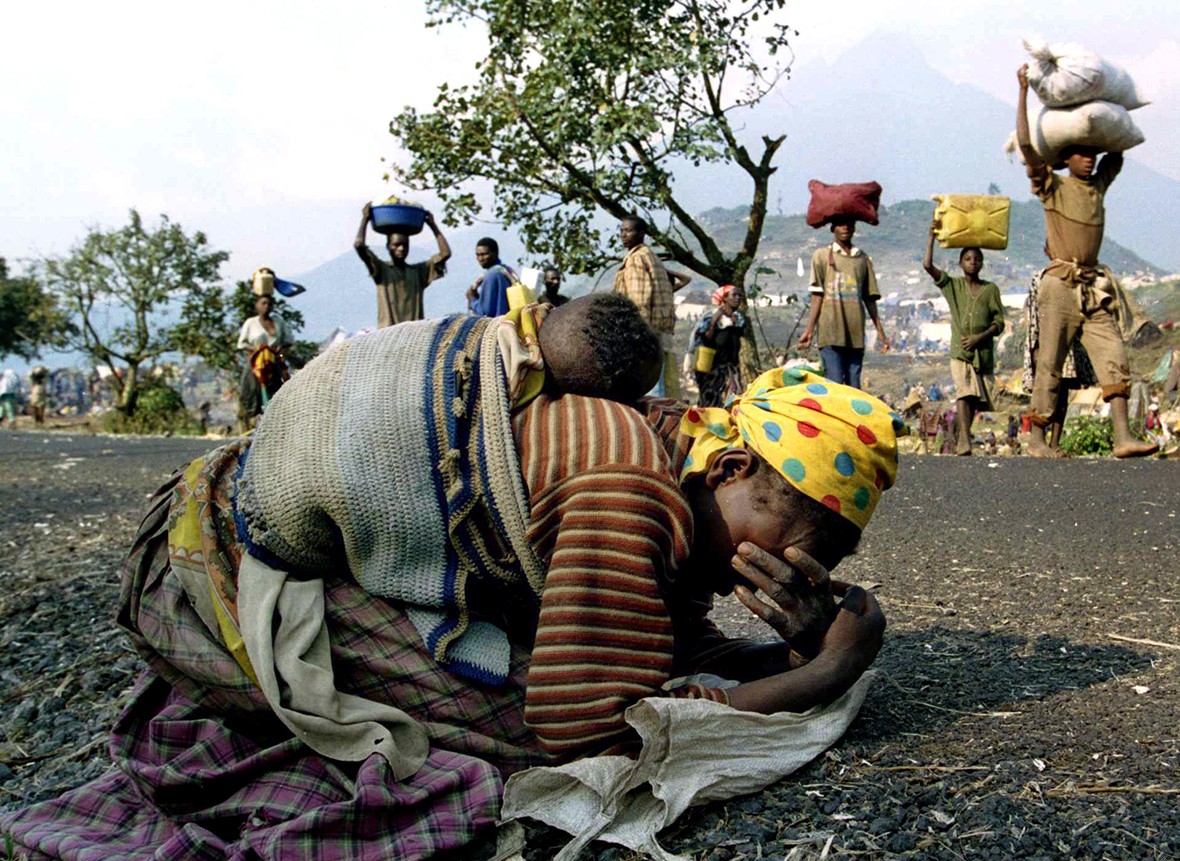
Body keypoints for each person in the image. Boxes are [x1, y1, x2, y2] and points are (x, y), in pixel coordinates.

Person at [0, 315, 897, 858]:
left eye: (826, 562)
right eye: (802, 542)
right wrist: (820, 677)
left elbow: (658, 642)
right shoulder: (629, 486)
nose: (804, 571)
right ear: (731, 464)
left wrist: (793, 642)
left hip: (241, 538)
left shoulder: (671, 450)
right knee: (503, 744)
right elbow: (595, 728)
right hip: (216, 580)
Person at [1016, 64, 1156, 458]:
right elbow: (1027, 147)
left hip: (1093, 286)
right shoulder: (1052, 187)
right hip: (1059, 284)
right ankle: (1037, 440)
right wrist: (1024, 91)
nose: (1089, 159)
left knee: (1114, 355)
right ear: (1065, 157)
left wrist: (1105, 103)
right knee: (1050, 361)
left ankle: (1123, 437)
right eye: (1081, 151)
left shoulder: (1098, 186)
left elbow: (1118, 147)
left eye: (1092, 151)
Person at [923, 226, 1005, 456]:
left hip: (982, 353)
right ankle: (965, 441)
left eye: (977, 259)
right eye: (968, 259)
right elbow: (928, 266)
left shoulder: (990, 290)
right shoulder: (953, 286)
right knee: (963, 393)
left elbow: (999, 323)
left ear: (982, 264)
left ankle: (962, 435)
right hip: (960, 351)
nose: (973, 262)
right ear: (960, 264)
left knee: (975, 400)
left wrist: (981, 337)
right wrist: (931, 237)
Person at [796, 216, 889, 389]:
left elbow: (869, 298)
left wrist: (880, 332)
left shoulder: (862, 259)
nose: (845, 227)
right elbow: (817, 296)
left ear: (854, 228)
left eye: (849, 223)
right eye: (840, 224)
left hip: (855, 333)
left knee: (854, 386)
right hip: (830, 331)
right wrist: (809, 331)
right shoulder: (822, 256)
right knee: (835, 383)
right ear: (833, 229)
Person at [613, 215, 681, 398]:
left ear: (641, 233)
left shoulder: (636, 259)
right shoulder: (652, 258)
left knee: (646, 386)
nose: (623, 235)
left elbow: (639, 299)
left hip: (643, 330)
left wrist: (636, 332)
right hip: (657, 329)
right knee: (657, 382)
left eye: (629, 230)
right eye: (621, 231)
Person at [355, 202, 451, 328]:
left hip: (414, 334)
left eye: (405, 245)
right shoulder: (382, 270)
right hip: (387, 335)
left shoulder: (417, 272)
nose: (401, 249)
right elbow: (359, 245)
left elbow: (445, 253)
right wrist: (365, 219)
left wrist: (433, 225)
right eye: (396, 245)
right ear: (388, 247)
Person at [236, 277, 292, 428]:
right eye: (263, 303)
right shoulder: (251, 323)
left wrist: (279, 349)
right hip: (257, 363)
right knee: (250, 391)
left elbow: (288, 340)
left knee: (282, 390)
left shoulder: (278, 321)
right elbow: (242, 344)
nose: (266, 306)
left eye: (269, 303)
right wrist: (257, 349)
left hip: (274, 361)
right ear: (257, 306)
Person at [690, 284, 747, 408]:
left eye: (739, 295)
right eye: (734, 295)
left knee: (734, 399)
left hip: (731, 366)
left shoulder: (739, 319)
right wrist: (714, 322)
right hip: (713, 367)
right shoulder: (712, 316)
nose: (737, 298)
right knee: (710, 399)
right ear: (725, 298)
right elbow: (704, 337)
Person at [467, 238, 517, 317]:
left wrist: (472, 299)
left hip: (498, 326)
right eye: (478, 255)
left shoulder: (492, 276)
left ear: (495, 253)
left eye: (484, 254)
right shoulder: (506, 271)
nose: (480, 259)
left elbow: (485, 312)